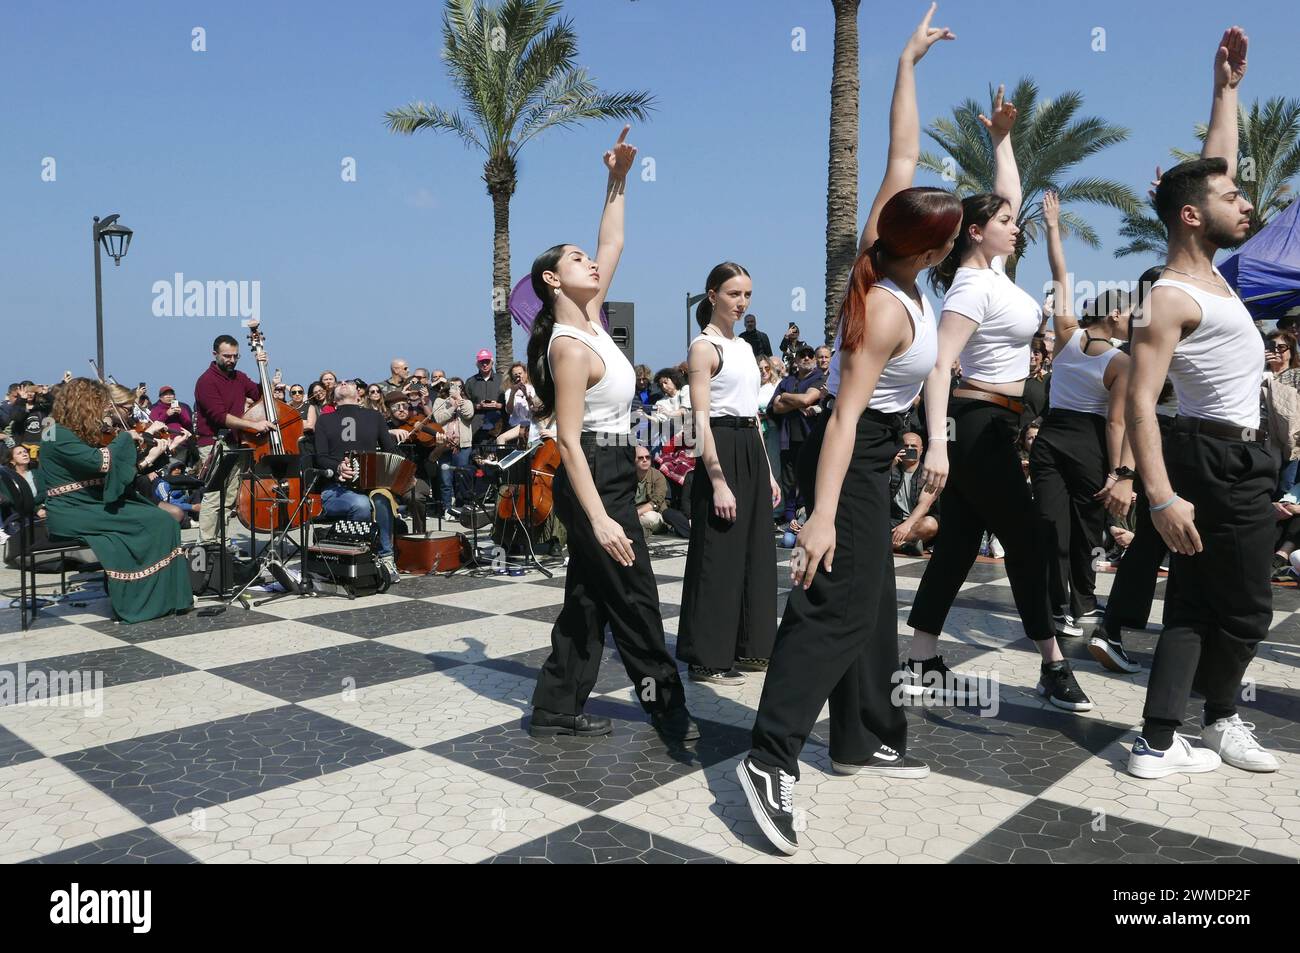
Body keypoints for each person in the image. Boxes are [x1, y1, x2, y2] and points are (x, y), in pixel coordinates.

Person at [737, 5, 957, 855]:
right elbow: (844, 418)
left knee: (872, 602)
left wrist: (907, 62)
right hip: (854, 454)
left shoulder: (886, 251)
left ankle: (862, 733)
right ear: (933, 251)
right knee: (835, 600)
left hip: (872, 450)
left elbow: (900, 152)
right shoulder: (887, 313)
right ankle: (769, 756)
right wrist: (820, 514)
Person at [904, 78, 1091, 713]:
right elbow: (939, 367)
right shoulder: (968, 287)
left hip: (1000, 422)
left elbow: (1006, 195)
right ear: (977, 232)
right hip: (976, 420)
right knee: (1031, 536)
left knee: (958, 541)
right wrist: (937, 444)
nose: (1019, 226)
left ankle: (922, 656)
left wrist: (1003, 139)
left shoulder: (996, 275)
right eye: (1007, 224)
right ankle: (1052, 663)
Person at [1125, 26, 1279, 778]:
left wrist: (1225, 90)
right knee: (1249, 607)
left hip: (1232, 452)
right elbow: (1138, 400)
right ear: (1192, 216)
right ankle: (1220, 715)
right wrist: (1158, 496)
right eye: (1231, 197)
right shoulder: (1171, 296)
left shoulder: (1218, 275)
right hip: (1212, 456)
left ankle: (1161, 736)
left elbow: (1211, 166)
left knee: (1193, 598)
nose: (1243, 201)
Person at [523, 125, 696, 743]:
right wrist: (598, 519)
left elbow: (613, 237)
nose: (590, 263)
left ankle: (554, 705)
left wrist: (617, 177)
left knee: (590, 599)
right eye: (575, 260)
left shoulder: (592, 319)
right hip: (592, 471)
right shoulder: (569, 347)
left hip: (613, 462)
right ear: (551, 280)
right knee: (634, 594)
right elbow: (567, 442)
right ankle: (668, 709)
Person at [1032, 190, 1136, 637]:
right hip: (1089, 444)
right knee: (1084, 529)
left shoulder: (1066, 331)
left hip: (1051, 439)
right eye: (1131, 311)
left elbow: (1060, 276)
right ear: (1114, 314)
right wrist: (1117, 472)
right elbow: (1116, 422)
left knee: (1053, 526)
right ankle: (1083, 605)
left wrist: (1054, 227)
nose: (1136, 318)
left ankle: (1059, 606)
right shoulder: (1120, 360)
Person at [676, 262, 782, 686]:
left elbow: (753, 415)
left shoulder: (742, 347)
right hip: (718, 445)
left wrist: (769, 472)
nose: (742, 302)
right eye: (734, 294)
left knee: (756, 550)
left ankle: (752, 648)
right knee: (718, 555)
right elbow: (699, 421)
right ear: (712, 295)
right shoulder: (703, 347)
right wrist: (717, 479)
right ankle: (708, 657)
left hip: (751, 449)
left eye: (748, 295)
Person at [37, 378, 192, 623]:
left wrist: (151, 455)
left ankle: (167, 597)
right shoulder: (55, 432)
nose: (104, 410)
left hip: (90, 503)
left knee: (161, 519)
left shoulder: (72, 432)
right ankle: (141, 601)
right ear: (84, 404)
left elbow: (116, 470)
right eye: (99, 404)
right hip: (72, 510)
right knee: (156, 521)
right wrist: (125, 438)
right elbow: (101, 462)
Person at [313, 382, 401, 581]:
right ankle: (360, 557)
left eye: (349, 382)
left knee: (382, 500)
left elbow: (390, 451)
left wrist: (403, 472)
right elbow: (320, 457)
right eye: (339, 383)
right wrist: (338, 468)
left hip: (369, 485)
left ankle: (386, 557)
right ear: (334, 399)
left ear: (359, 396)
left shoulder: (374, 417)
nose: (343, 382)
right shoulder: (324, 420)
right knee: (360, 504)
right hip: (335, 489)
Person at [193, 334, 272, 543]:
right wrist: (254, 425)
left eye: (235, 356)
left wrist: (263, 369)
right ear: (215, 354)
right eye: (227, 356)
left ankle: (222, 541)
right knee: (213, 495)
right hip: (213, 442)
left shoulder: (239, 377)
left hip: (235, 443)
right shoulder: (206, 381)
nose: (231, 360)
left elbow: (258, 394)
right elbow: (220, 417)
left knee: (229, 496)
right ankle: (208, 543)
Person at [768, 346, 825, 527]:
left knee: (812, 480)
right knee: (789, 482)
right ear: (796, 360)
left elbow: (808, 400)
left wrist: (785, 397)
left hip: (811, 439)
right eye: (802, 355)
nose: (807, 358)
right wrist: (796, 400)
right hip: (788, 440)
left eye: (810, 355)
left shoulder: (820, 378)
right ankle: (790, 519)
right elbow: (775, 407)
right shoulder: (786, 381)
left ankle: (811, 520)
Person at [890, 430, 939, 555]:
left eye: (914, 446)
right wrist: (890, 465)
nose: (910, 449)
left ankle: (890, 544)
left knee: (930, 524)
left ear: (921, 450)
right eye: (906, 446)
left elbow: (925, 504)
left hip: (914, 524)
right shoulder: (890, 468)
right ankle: (903, 546)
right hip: (891, 521)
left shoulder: (928, 474)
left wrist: (906, 525)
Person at [432, 377, 474, 514]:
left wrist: (459, 402)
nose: (456, 388)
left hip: (463, 446)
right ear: (447, 387)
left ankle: (461, 507)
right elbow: (438, 419)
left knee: (461, 477)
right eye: (453, 386)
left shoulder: (467, 402)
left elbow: (469, 414)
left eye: (459, 386)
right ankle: (446, 508)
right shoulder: (439, 401)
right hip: (445, 446)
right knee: (445, 479)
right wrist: (452, 408)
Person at [466, 349, 504, 446]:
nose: (485, 365)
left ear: (492, 362)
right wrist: (478, 406)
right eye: (482, 362)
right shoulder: (470, 382)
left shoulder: (502, 380)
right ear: (477, 364)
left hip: (498, 425)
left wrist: (498, 405)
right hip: (476, 426)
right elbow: (465, 404)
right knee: (476, 456)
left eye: (487, 362)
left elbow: (509, 403)